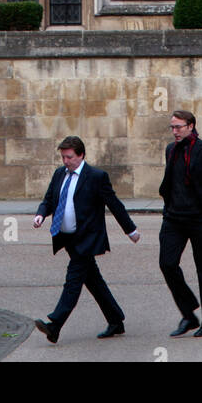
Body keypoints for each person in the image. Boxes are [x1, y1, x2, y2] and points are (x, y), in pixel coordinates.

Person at [32, 135, 140, 343]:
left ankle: (55, 325)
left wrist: (131, 230)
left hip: (87, 238)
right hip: (67, 238)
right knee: (93, 281)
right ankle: (115, 319)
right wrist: (40, 214)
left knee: (72, 281)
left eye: (69, 157)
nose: (65, 161)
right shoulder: (59, 174)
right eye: (63, 157)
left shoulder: (96, 176)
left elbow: (114, 205)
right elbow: (49, 199)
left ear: (81, 155)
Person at [158, 108, 202, 337]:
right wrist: (167, 209)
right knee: (167, 264)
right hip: (174, 219)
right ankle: (189, 313)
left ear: (190, 126)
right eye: (172, 127)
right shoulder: (171, 150)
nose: (175, 131)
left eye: (178, 127)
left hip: (199, 219)